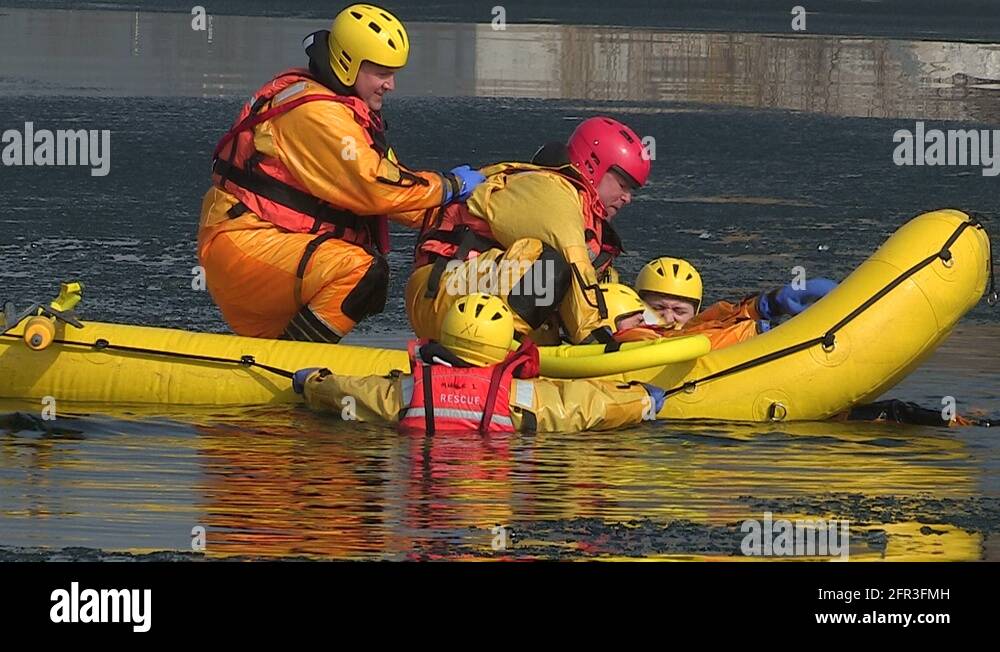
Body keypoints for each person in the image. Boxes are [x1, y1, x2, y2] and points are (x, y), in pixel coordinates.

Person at [197, 4, 485, 343]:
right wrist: (450, 186)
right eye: (381, 73)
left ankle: (281, 357)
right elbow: (376, 188)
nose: (390, 85)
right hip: (245, 244)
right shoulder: (318, 115)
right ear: (348, 65)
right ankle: (295, 364)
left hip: (262, 240)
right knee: (362, 272)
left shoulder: (342, 110)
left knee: (363, 277)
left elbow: (398, 191)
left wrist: (469, 210)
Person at [404, 116, 650, 348]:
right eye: (623, 185)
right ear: (593, 166)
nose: (627, 198)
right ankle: (496, 352)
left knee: (596, 283)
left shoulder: (585, 217)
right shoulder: (552, 193)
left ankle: (528, 354)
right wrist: (599, 346)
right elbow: (574, 264)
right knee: (549, 267)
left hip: (468, 294)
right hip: (439, 293)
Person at [295, 293, 665, 433]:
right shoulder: (523, 396)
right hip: (495, 482)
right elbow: (588, 406)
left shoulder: (407, 392)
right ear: (504, 345)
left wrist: (310, 382)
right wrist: (644, 400)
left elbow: (347, 391)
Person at [634, 256, 836, 348]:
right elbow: (672, 341)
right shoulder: (629, 337)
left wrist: (767, 304)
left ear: (695, 312)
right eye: (658, 308)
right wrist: (754, 330)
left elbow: (719, 318)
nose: (668, 317)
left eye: (679, 310)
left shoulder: (697, 327)